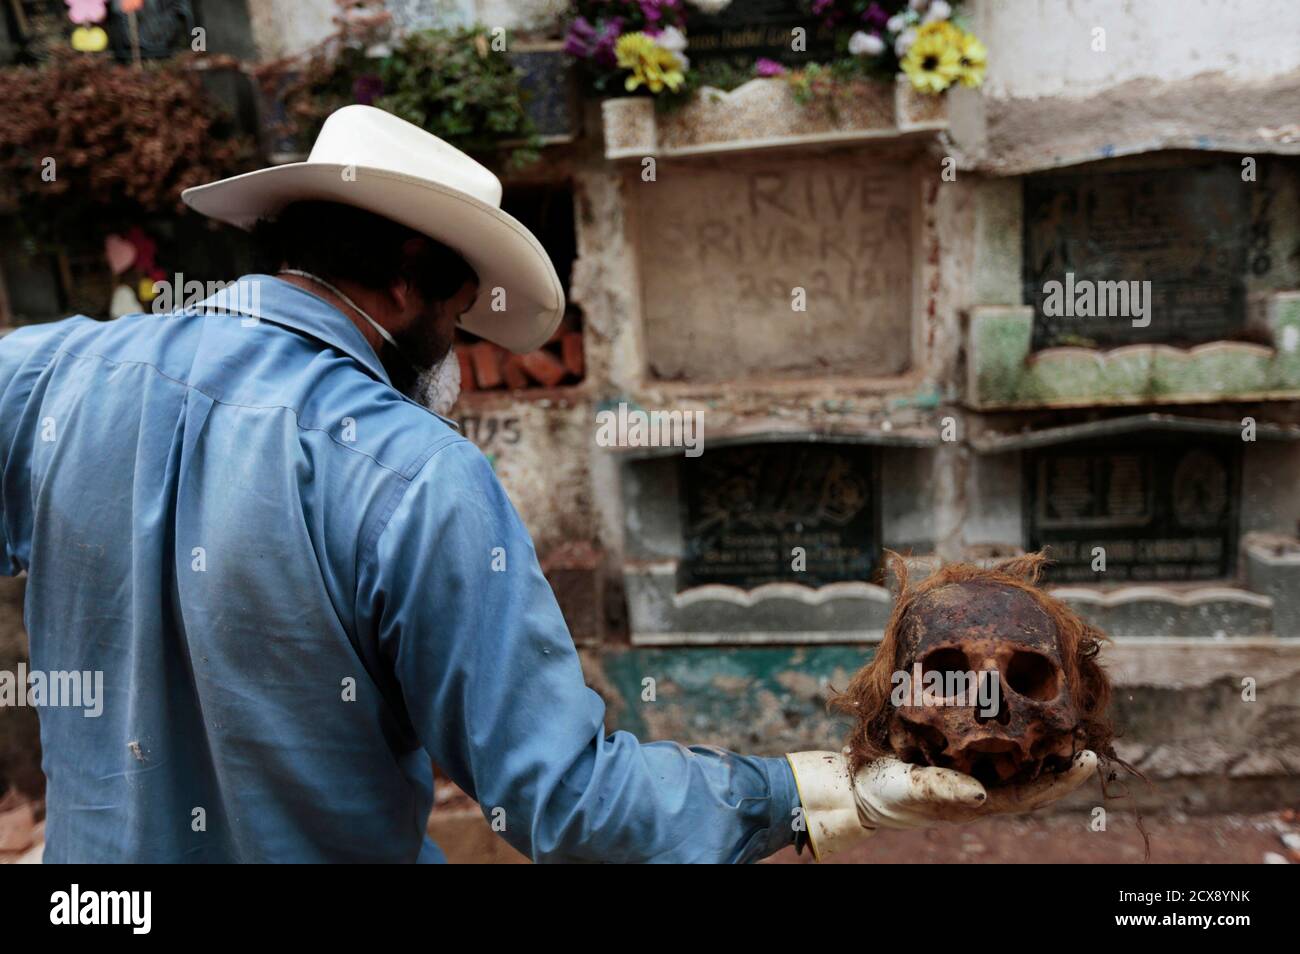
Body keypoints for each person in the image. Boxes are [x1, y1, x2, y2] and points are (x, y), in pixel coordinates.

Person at [0, 106, 1093, 862]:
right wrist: (826, 794)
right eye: (460, 314)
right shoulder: (409, 473)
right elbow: (563, 804)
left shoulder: (47, 372)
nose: (459, 353)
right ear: (412, 278)